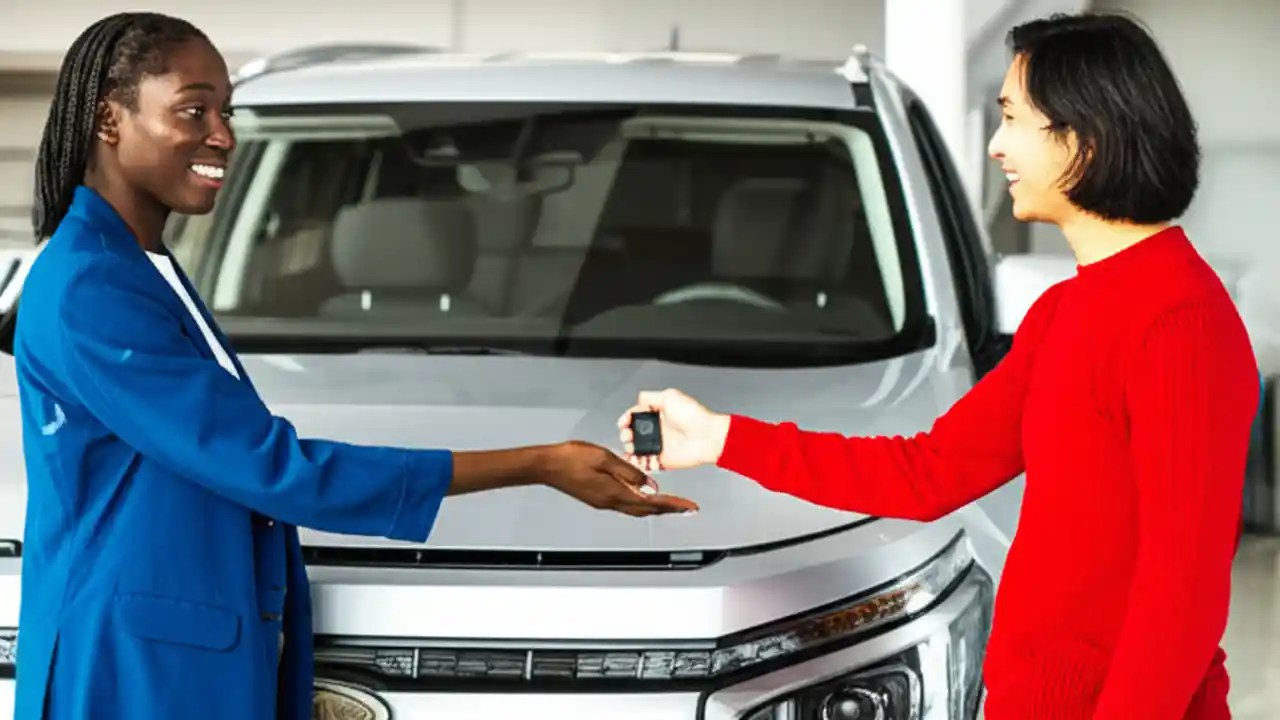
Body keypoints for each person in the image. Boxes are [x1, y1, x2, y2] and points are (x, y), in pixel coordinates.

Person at [11, 12, 696, 720]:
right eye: (194, 110)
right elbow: (272, 469)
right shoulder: (92, 286)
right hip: (130, 675)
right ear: (109, 120)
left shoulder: (140, 266)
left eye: (227, 111)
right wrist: (539, 463)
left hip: (175, 658)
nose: (223, 135)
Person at [618, 12, 1257, 720]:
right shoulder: (1064, 314)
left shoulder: (1181, 325)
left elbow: (1184, 599)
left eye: (1012, 119)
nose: (995, 146)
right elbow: (925, 473)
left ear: (1084, 139)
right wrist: (721, 439)